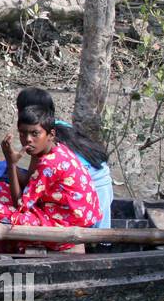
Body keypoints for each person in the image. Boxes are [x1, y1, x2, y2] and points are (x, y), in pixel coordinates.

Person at [0, 103, 102, 253]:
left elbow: (20, 206)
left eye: (35, 134)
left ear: (51, 135)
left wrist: (11, 163)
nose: (28, 139)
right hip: (58, 215)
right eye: (23, 134)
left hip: (62, 230)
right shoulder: (58, 149)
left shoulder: (49, 164)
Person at [14, 87, 113, 229]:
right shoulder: (59, 127)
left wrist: (10, 166)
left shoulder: (44, 140)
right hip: (103, 186)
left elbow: (30, 184)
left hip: (87, 199)